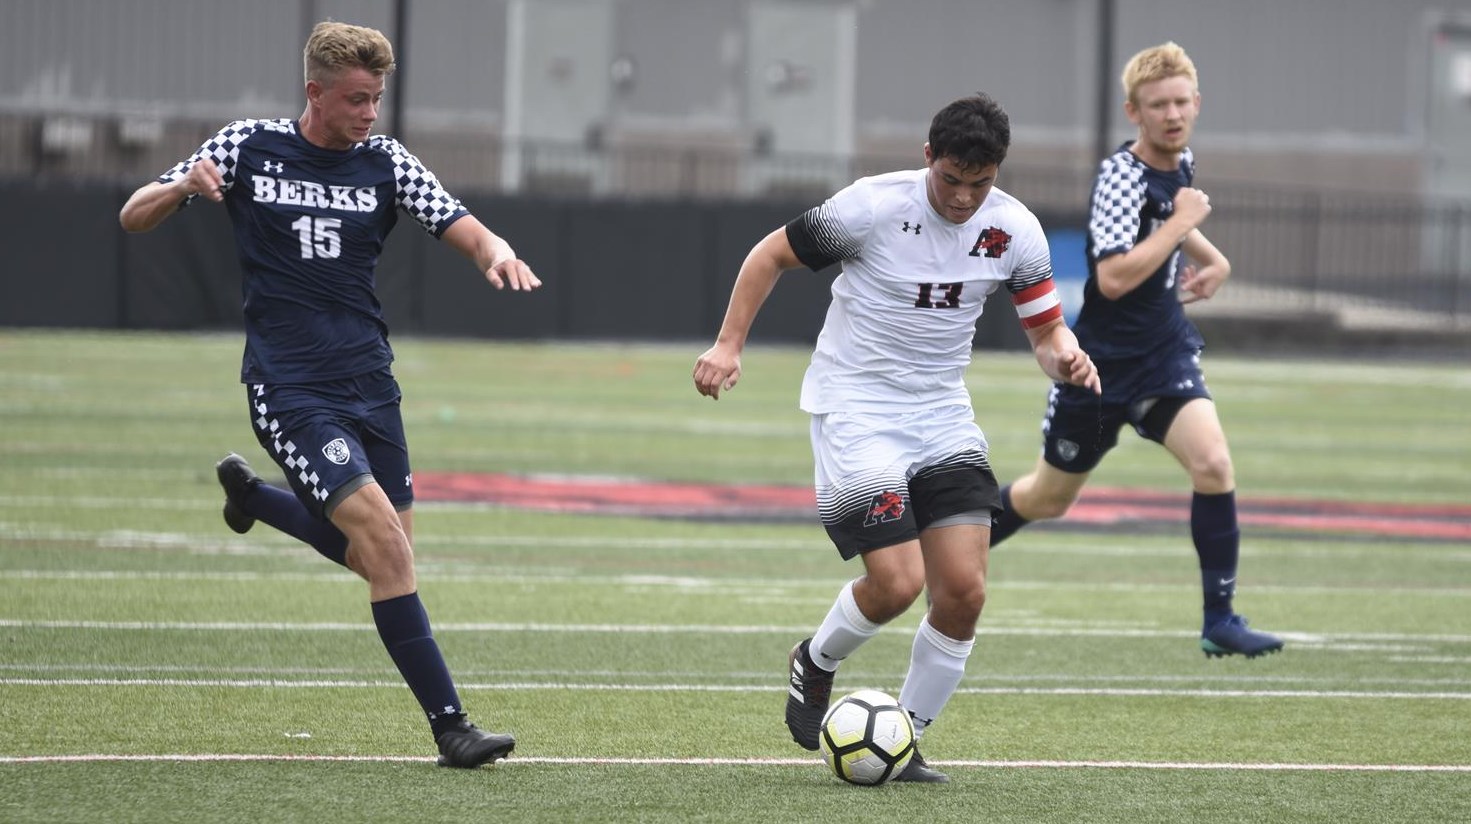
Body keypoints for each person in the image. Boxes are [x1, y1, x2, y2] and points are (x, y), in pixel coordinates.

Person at [118, 20, 540, 768]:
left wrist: (495, 250)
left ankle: (255, 502)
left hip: (369, 381)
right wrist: (184, 185)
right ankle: (452, 728)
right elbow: (133, 213)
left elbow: (456, 221)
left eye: (376, 99)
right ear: (313, 92)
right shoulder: (247, 143)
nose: (369, 114)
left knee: (385, 557)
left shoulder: (386, 161)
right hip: (289, 386)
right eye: (355, 99)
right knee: (385, 550)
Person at [693, 93, 1100, 783]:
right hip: (855, 408)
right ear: (926, 158)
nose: (966, 196)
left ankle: (902, 741)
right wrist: (728, 346)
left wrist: (1062, 353)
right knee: (896, 583)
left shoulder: (1013, 230)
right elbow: (769, 256)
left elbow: (1043, 329)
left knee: (964, 592)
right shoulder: (870, 207)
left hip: (941, 415)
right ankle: (814, 661)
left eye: (981, 182)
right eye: (952, 179)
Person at [986, 42, 1284, 659]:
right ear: (1134, 112)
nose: (1172, 115)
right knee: (1046, 498)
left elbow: (1170, 216)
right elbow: (1113, 277)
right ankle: (941, 550)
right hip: (1098, 367)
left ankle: (1220, 620)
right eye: (1158, 105)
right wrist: (1182, 226)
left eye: (1181, 102)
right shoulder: (1119, 176)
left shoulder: (1181, 161)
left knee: (1214, 466)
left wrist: (1213, 257)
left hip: (1164, 355)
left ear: (1196, 103)